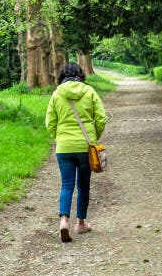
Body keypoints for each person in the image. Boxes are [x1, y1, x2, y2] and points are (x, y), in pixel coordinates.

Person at [45, 62, 107, 242]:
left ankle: (64, 220)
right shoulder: (89, 91)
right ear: (81, 75)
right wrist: (93, 137)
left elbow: (50, 122)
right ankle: (81, 223)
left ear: (62, 76)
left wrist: (59, 137)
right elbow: (101, 119)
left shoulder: (57, 94)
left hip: (64, 146)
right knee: (83, 185)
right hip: (85, 146)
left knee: (66, 185)